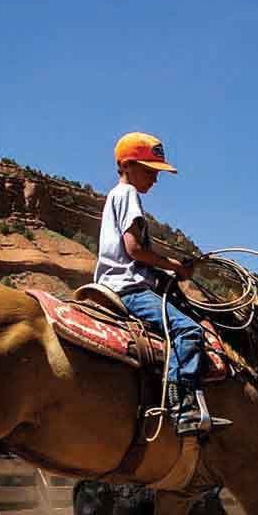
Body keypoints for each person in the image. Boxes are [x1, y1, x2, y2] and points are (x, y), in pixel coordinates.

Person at [95, 132, 229, 436]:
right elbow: (134, 250)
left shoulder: (115, 197)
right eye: (149, 170)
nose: (154, 179)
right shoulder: (128, 195)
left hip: (120, 282)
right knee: (189, 331)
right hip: (128, 287)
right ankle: (180, 407)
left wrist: (170, 269)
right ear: (127, 165)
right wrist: (173, 266)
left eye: (156, 172)